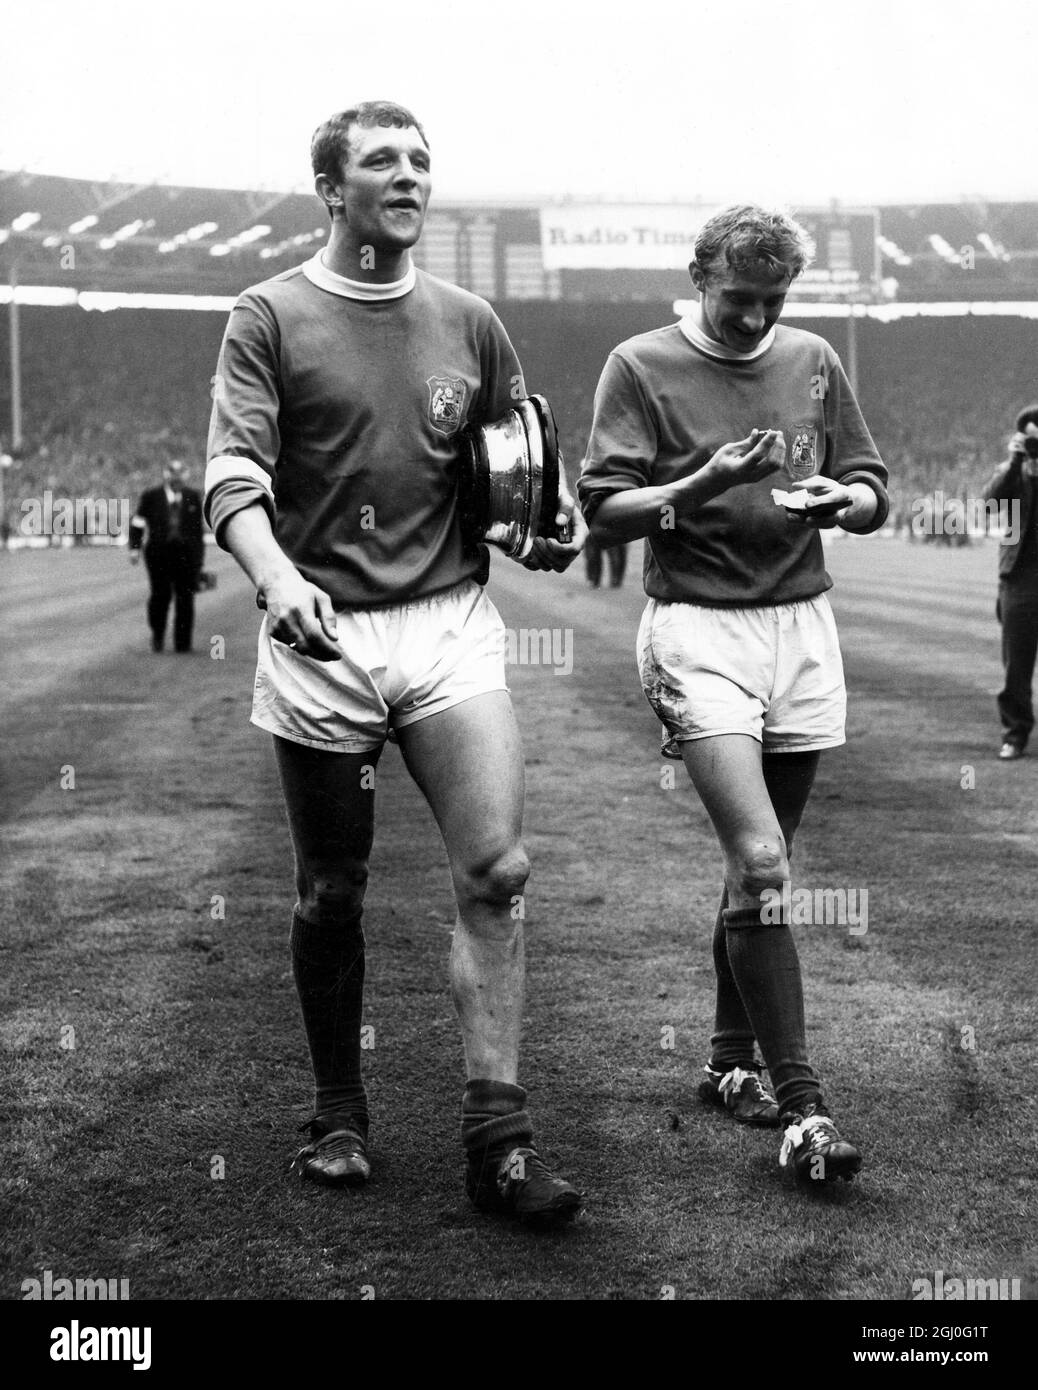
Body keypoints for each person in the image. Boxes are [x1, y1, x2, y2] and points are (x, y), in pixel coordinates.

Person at [204, 101, 587, 1225]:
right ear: (331, 187)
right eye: (382, 160)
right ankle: (337, 1112)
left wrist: (547, 522)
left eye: (421, 160)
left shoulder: (471, 320)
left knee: (499, 871)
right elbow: (234, 474)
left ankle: (500, 1144)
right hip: (319, 629)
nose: (409, 175)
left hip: (447, 621)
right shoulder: (266, 314)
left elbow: (521, 467)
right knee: (333, 889)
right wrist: (279, 581)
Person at [578, 204, 889, 1184]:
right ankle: (805, 1108)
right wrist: (705, 482)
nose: (757, 318)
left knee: (761, 861)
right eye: (738, 298)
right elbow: (604, 509)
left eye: (773, 300)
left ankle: (725, 1060)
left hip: (801, 627)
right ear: (699, 277)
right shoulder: (640, 365)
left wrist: (851, 503)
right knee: (760, 858)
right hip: (698, 629)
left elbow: (874, 482)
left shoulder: (813, 360)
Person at [983, 404, 1038, 760]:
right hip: (1020, 580)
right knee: (1016, 666)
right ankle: (1015, 734)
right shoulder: (1013, 472)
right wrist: (1017, 462)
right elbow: (989, 503)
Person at [129, 460, 205, 652]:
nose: (177, 477)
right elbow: (137, 523)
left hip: (185, 557)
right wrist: (134, 548)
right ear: (166, 474)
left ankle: (183, 644)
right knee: (160, 596)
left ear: (184, 475)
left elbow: (197, 533)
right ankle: (158, 635)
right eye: (173, 473)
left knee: (185, 599)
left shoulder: (192, 497)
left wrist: (198, 560)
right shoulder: (151, 496)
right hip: (158, 555)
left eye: (180, 473)